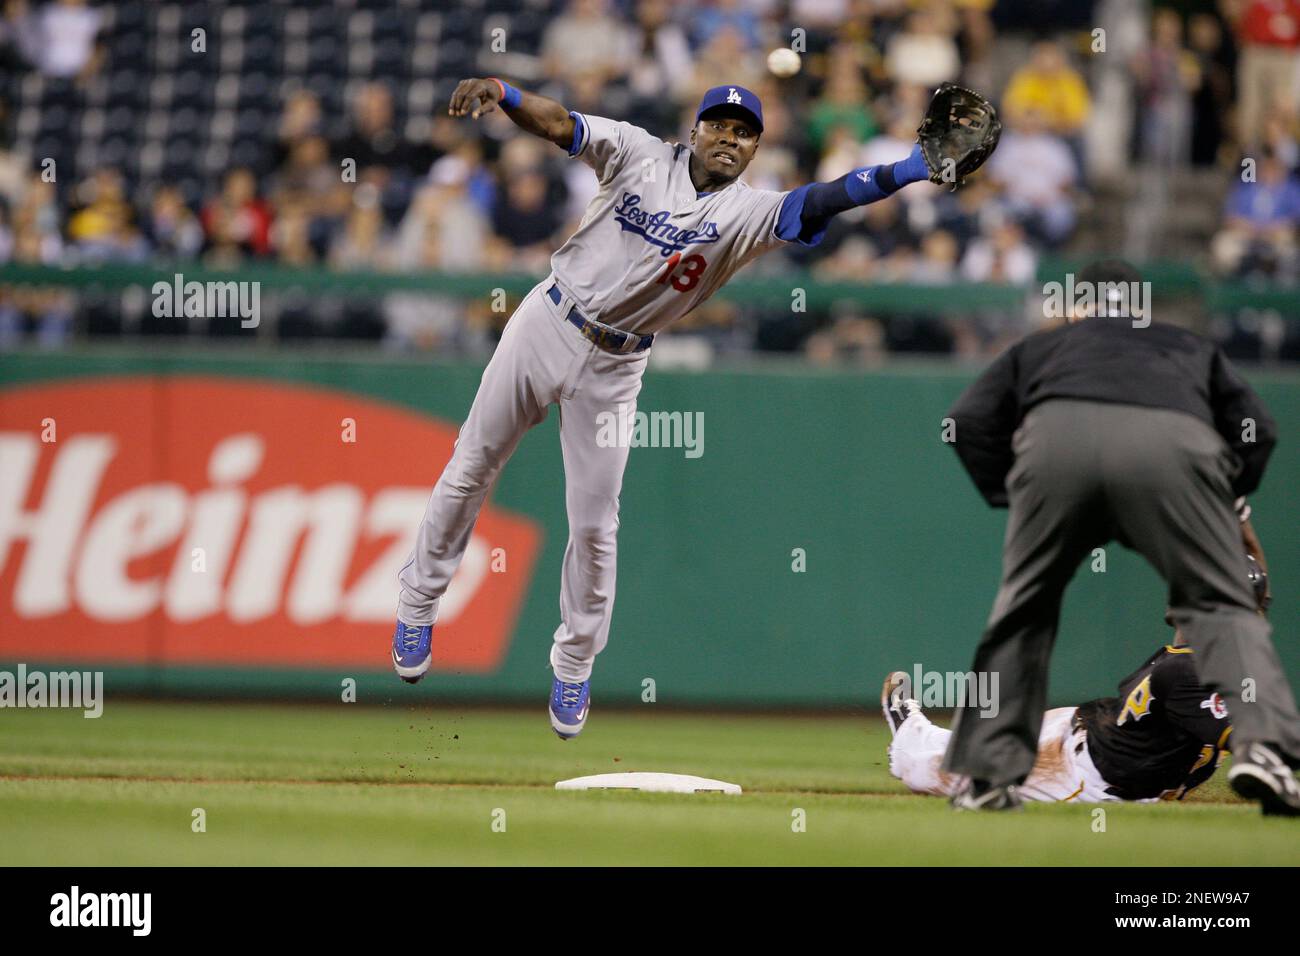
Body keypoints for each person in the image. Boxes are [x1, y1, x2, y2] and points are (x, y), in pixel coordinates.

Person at [392, 77, 960, 738]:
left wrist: (911, 170)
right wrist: (505, 94)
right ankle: (418, 599)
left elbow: (830, 197)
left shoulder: (749, 214)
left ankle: (574, 663)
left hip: (618, 362)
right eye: (719, 125)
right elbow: (559, 125)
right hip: (548, 320)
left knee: (596, 524)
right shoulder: (636, 152)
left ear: (753, 149)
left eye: (744, 132)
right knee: (471, 465)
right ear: (695, 129)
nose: (730, 138)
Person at [941, 258, 1300, 815]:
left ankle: (988, 775)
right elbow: (1259, 429)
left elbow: (965, 423)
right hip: (1172, 450)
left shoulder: (1046, 345)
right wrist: (1225, 499)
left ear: (1074, 305)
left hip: (1055, 445)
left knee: (1023, 611)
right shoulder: (1183, 344)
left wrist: (1013, 495)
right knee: (1223, 606)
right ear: (1140, 306)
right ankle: (1266, 750)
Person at [883, 529, 1272, 805]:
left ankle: (912, 740)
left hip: (1092, 760)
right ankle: (916, 735)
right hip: (1087, 752)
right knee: (973, 755)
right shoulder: (1193, 667)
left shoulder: (1194, 666)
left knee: (970, 762)